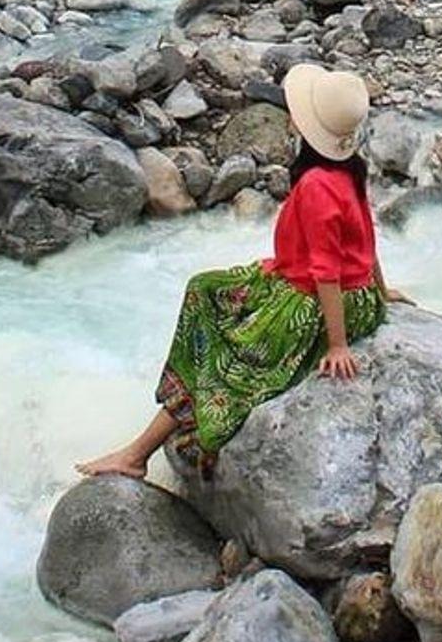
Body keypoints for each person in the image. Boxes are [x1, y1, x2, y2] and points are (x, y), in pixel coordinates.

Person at [76, 62, 402, 480]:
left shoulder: (316, 185)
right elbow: (364, 239)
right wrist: (379, 290)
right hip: (337, 289)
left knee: (228, 359)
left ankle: (137, 455)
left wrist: (337, 345)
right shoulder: (348, 168)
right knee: (204, 288)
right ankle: (151, 435)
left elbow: (326, 272)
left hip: (316, 300)